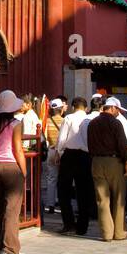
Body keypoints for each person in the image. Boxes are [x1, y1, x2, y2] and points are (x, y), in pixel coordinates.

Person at [0, 90, 28, 254]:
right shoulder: (16, 124)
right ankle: (10, 249)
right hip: (12, 167)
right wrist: (24, 171)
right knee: (12, 210)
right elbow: (18, 149)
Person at [86, 96, 127, 242]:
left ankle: (106, 233)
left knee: (102, 200)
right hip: (114, 161)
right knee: (119, 198)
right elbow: (122, 145)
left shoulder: (92, 123)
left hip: (97, 161)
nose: (118, 112)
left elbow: (90, 145)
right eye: (117, 109)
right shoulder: (116, 123)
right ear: (112, 108)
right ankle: (119, 232)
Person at [53, 96, 94, 235]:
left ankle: (69, 223)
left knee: (63, 189)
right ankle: (82, 226)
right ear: (86, 108)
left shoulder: (69, 118)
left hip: (70, 155)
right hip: (86, 156)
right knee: (84, 191)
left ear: (72, 107)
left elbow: (62, 137)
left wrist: (58, 152)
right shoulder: (90, 120)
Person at [42, 98, 65, 216]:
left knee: (51, 179)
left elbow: (43, 137)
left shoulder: (47, 122)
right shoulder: (65, 121)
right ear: (61, 109)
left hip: (51, 150)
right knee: (63, 179)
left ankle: (50, 205)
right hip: (62, 152)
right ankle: (62, 203)